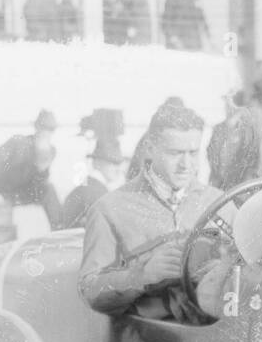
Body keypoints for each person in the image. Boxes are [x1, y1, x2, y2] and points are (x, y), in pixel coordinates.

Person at [79, 99, 232, 322]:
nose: (186, 164)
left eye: (193, 152)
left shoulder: (220, 203)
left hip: (212, 338)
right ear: (150, 148)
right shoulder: (109, 210)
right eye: (175, 153)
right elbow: (90, 291)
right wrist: (141, 275)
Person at [0, 109, 63, 231]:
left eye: (51, 129)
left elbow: (40, 184)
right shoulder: (18, 143)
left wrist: (42, 167)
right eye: (43, 127)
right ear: (37, 128)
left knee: (49, 189)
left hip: (20, 193)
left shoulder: (50, 151)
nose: (46, 132)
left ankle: (60, 229)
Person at [207, 89, 262, 190]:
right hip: (225, 188)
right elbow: (218, 166)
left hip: (246, 188)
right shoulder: (221, 129)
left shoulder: (255, 132)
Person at [61, 137, 127, 229]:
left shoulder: (85, 187)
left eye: (119, 164)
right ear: (97, 163)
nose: (118, 169)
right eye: (112, 163)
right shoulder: (98, 193)